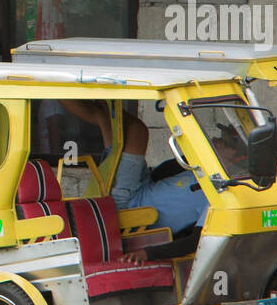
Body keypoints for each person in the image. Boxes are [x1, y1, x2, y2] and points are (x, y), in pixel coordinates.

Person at [60, 99, 207, 263]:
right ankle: (63, 89)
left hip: (129, 203)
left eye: (226, 142)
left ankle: (99, 99)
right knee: (103, 118)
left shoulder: (220, 195)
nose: (219, 140)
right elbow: (161, 172)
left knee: (137, 130)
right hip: (141, 184)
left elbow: (195, 242)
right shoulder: (208, 170)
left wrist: (147, 254)